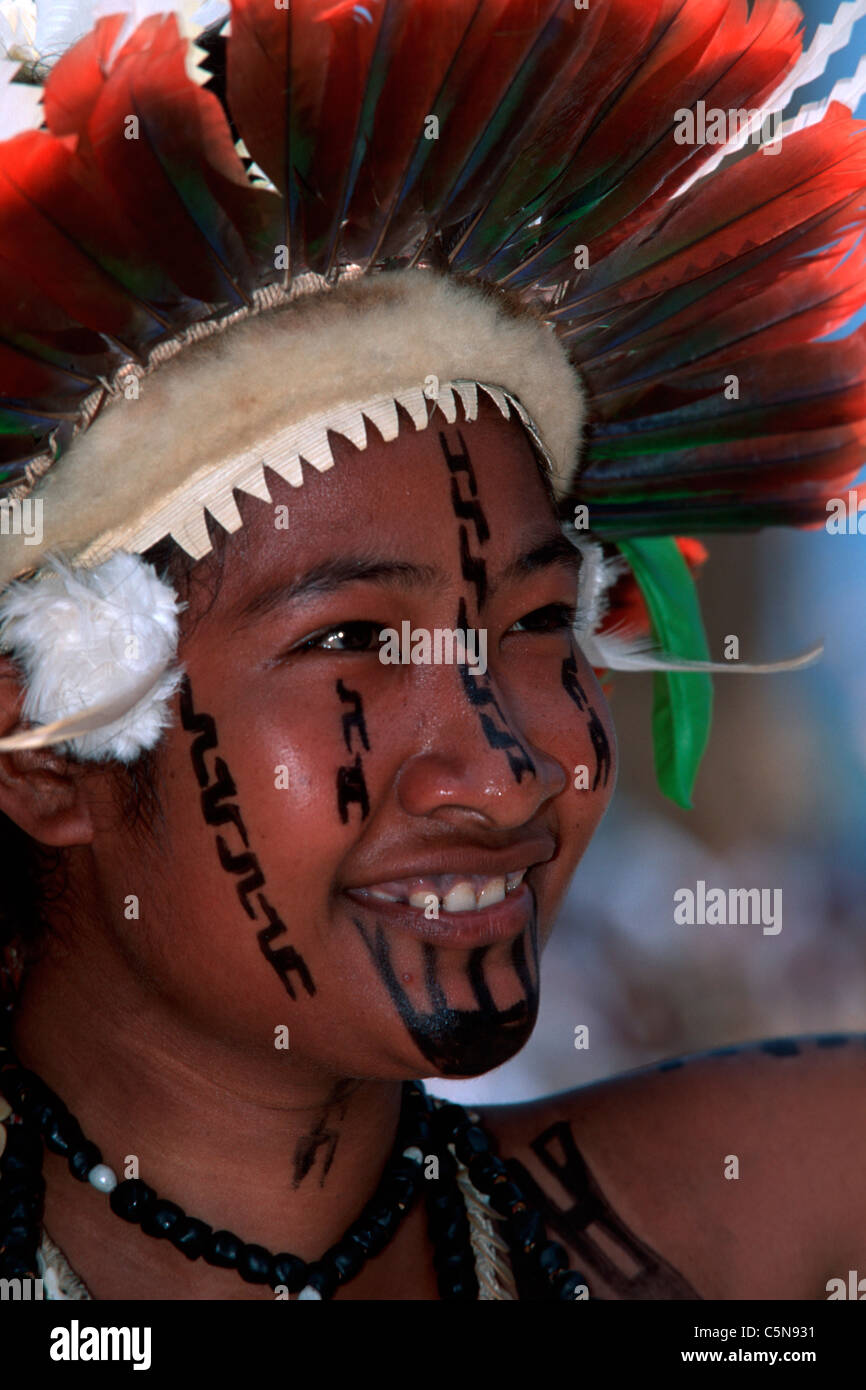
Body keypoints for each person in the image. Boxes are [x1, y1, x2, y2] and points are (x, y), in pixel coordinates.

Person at [0, 0, 864, 1301]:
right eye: (349, 638)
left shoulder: (776, 1215)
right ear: (47, 749)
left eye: (529, 625)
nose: (509, 770)